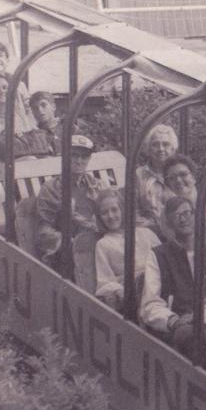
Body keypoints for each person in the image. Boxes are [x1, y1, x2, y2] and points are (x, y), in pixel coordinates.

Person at [140, 196, 206, 362]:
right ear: (169, 222)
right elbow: (150, 304)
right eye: (177, 216)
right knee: (193, 336)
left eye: (187, 213)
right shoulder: (159, 255)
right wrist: (173, 321)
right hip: (185, 323)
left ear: (195, 216)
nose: (183, 219)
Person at [34, 133, 102, 266]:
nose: (79, 161)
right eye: (74, 155)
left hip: (97, 240)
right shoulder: (51, 188)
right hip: (70, 245)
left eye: (84, 156)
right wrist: (66, 242)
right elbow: (44, 228)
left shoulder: (96, 185)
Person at [94, 189, 161, 310]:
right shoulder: (103, 244)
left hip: (158, 282)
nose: (110, 216)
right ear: (99, 217)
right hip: (134, 291)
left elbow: (164, 261)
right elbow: (105, 281)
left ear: (123, 210)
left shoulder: (145, 233)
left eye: (114, 210)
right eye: (104, 213)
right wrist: (119, 290)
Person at [135, 123, 179, 232]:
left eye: (166, 144)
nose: (161, 149)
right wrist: (154, 227)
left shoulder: (181, 173)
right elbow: (133, 212)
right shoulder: (139, 175)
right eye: (155, 144)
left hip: (179, 230)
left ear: (173, 149)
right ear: (148, 149)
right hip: (150, 231)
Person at [29, 91, 65, 155]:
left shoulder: (70, 129)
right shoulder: (33, 136)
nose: (39, 110)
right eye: (35, 107)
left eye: (43, 105)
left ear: (53, 107)